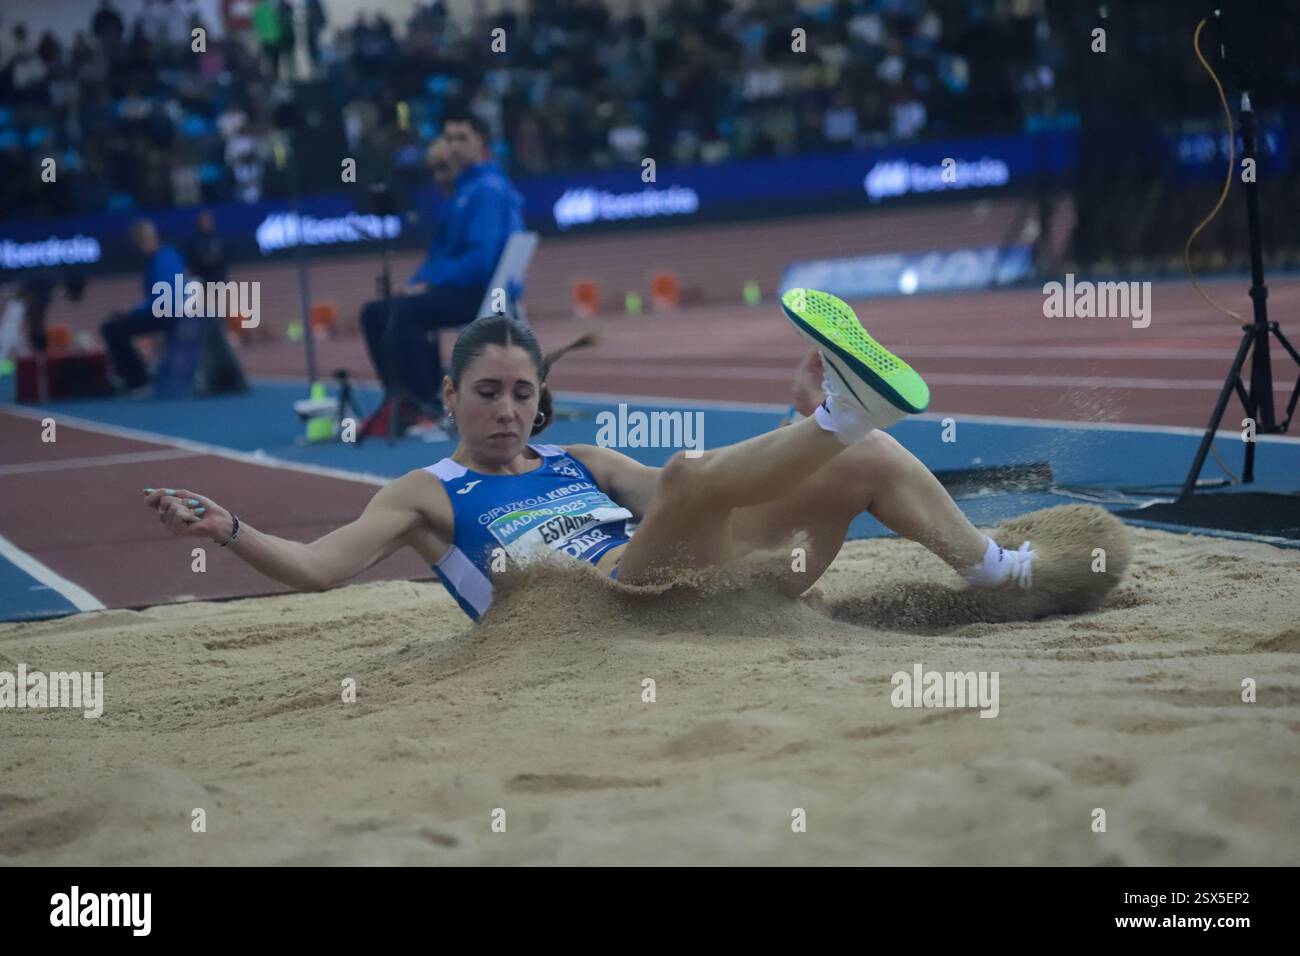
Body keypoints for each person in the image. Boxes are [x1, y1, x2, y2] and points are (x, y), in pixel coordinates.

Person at [143, 290, 1045, 622]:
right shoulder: (426, 492)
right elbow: (315, 568)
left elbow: (700, 503)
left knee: (867, 457)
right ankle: (840, 415)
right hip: (613, 616)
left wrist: (796, 432)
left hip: (715, 591)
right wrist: (227, 527)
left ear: (543, 398)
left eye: (523, 393)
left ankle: (994, 572)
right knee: (692, 477)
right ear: (448, 398)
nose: (507, 411)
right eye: (488, 393)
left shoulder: (578, 456)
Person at [358, 112, 523, 431]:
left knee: (401, 314)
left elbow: (480, 260)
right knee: (376, 312)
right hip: (461, 287)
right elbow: (440, 257)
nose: (454, 146)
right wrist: (417, 284)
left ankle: (423, 404)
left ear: (482, 143)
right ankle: (405, 400)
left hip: (480, 291)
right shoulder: (464, 190)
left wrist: (429, 284)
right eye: (449, 139)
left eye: (462, 138)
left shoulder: (486, 190)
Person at [100, 219, 187, 394]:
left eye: (138, 241)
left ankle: (137, 378)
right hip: (170, 311)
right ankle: (136, 375)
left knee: (113, 328)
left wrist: (133, 311)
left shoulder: (162, 260)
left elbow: (163, 298)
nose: (137, 247)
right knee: (117, 325)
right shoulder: (168, 254)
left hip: (168, 314)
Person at [184, 209, 228, 285]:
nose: (205, 223)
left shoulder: (218, 237)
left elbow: (224, 257)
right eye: (203, 220)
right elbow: (191, 261)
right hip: (200, 275)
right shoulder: (193, 240)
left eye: (207, 220)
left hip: (217, 275)